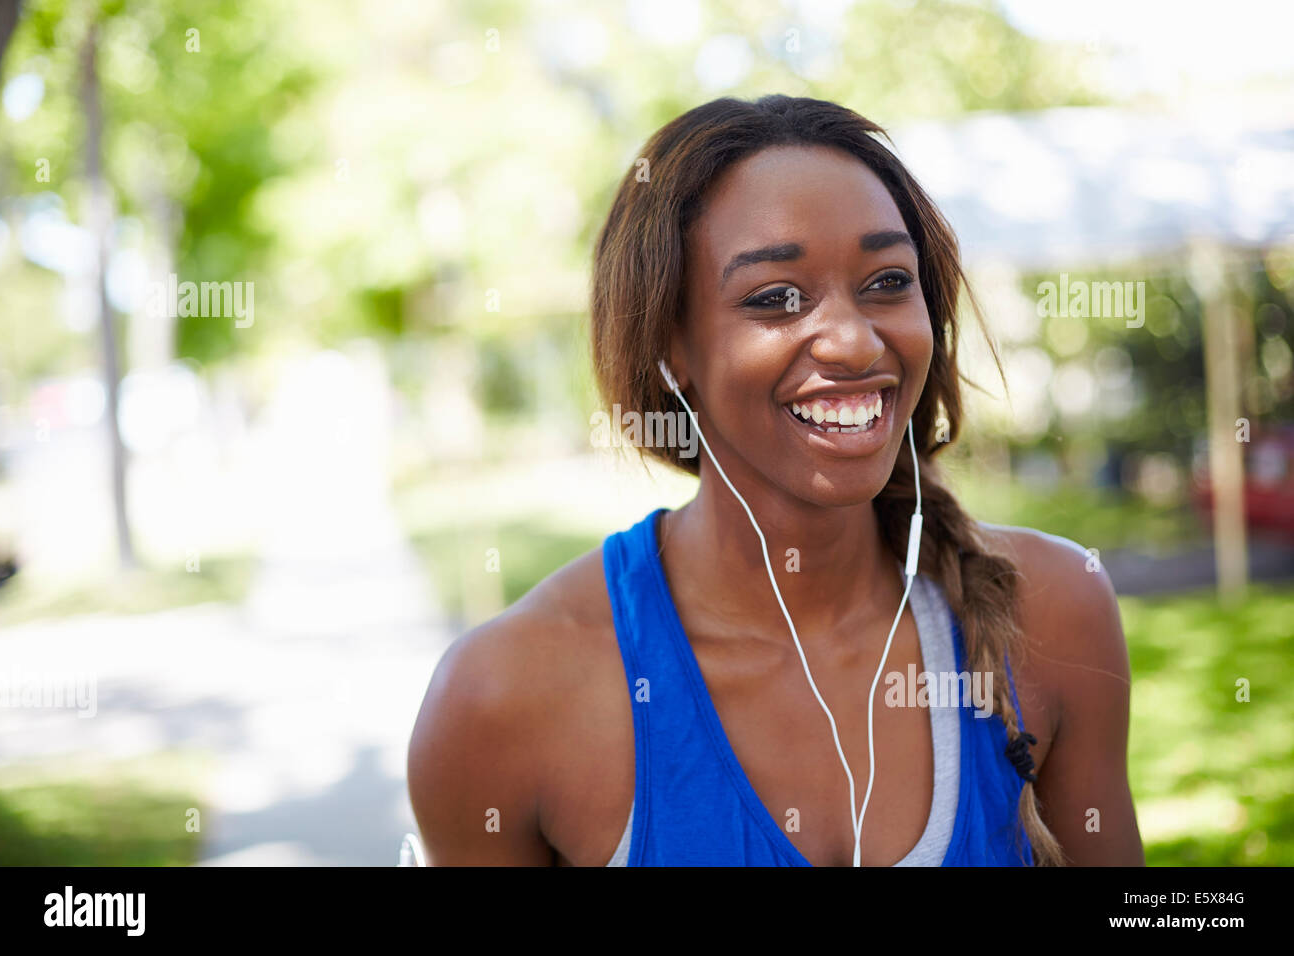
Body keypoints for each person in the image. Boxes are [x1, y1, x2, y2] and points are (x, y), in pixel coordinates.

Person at [407, 94, 1143, 866]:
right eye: (775, 298)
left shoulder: (1056, 614)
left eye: (888, 281)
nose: (856, 341)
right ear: (670, 346)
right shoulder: (502, 698)